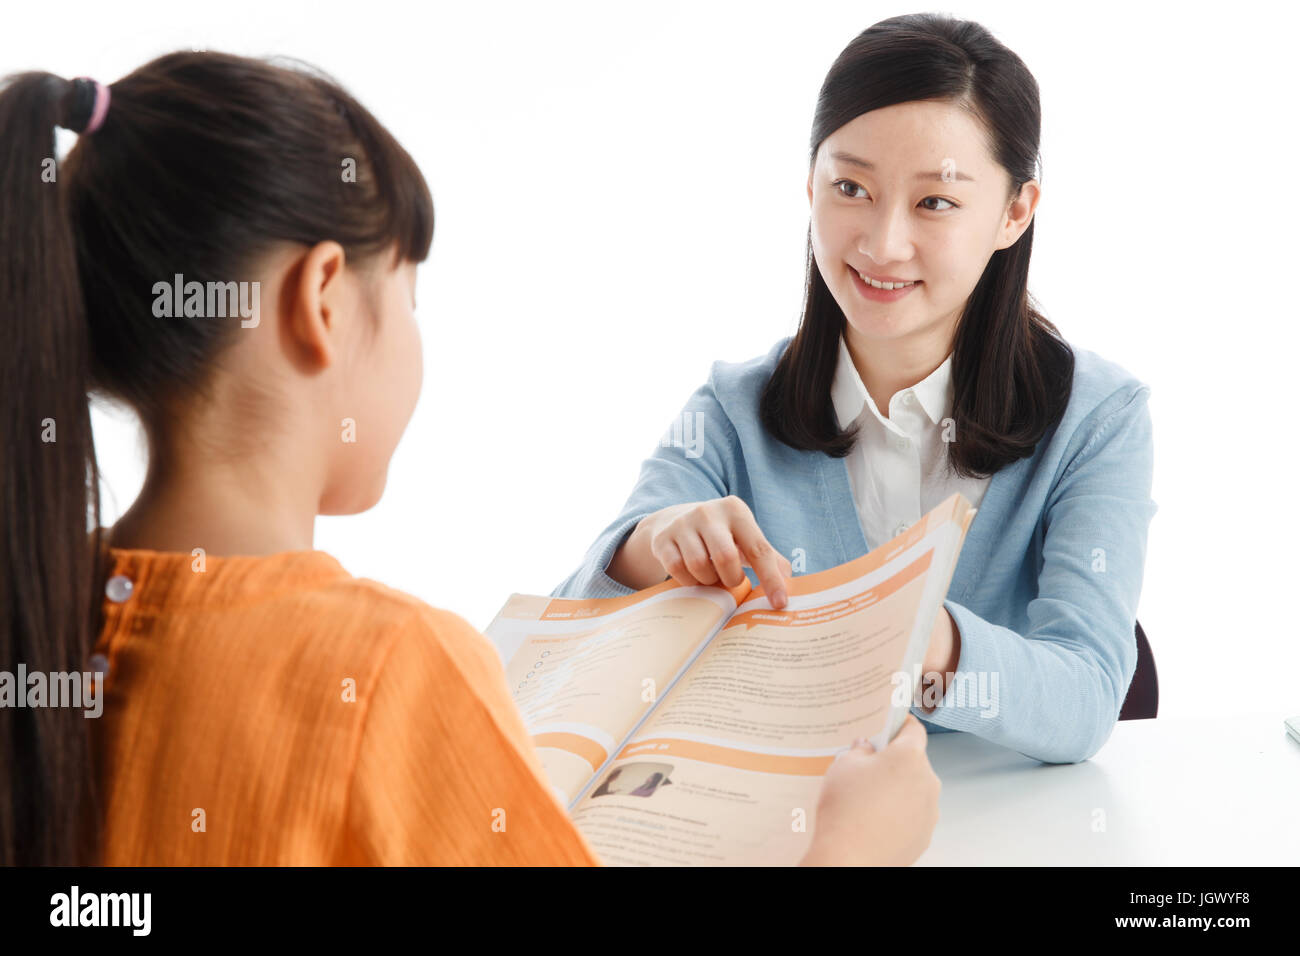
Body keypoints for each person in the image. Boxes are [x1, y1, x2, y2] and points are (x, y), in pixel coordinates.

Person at [0, 50, 939, 867]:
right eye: (407, 293)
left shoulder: (32, 611)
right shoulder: (389, 668)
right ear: (320, 300)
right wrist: (846, 853)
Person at [554, 14, 1157, 766]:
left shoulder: (1097, 420)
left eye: (935, 202)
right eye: (851, 187)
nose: (881, 243)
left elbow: (1088, 695)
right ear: (810, 184)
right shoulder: (731, 413)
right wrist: (654, 545)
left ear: (1014, 212)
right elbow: (573, 634)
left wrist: (916, 634)